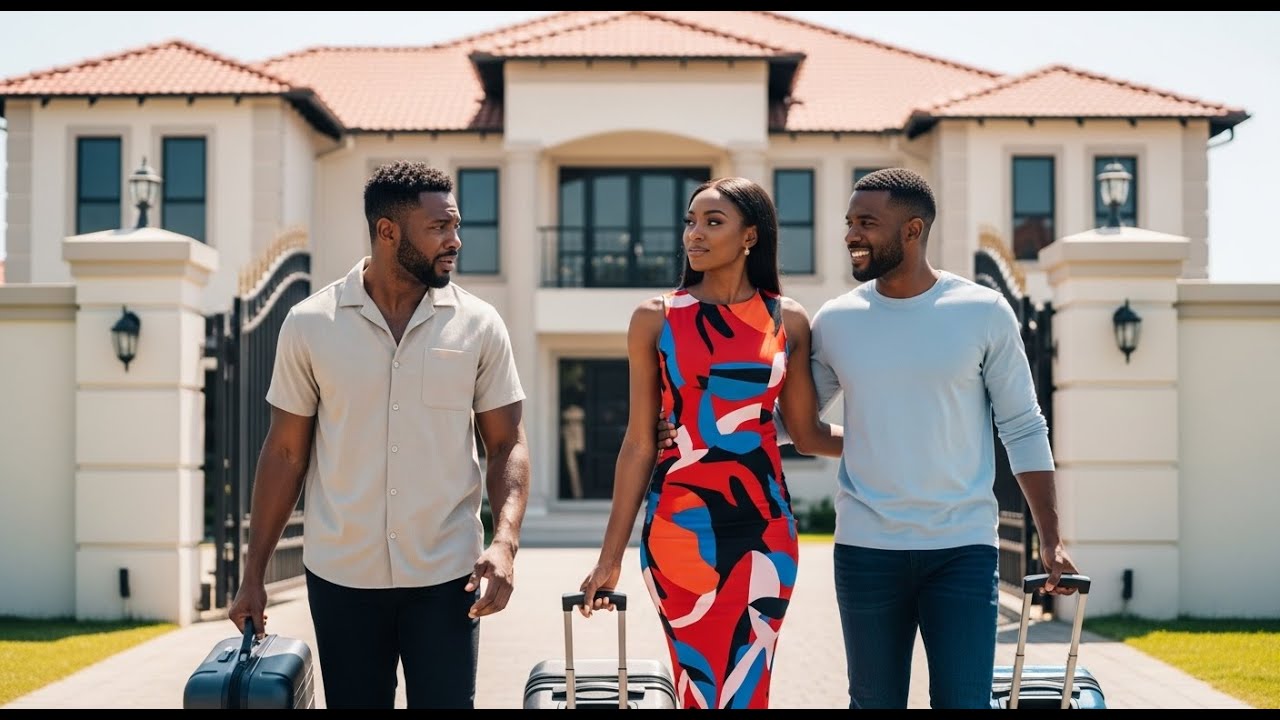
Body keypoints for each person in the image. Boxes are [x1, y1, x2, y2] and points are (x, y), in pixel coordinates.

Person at [658, 167, 1080, 709]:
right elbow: (791, 422)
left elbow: (1022, 424)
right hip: (865, 548)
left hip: (962, 547)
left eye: (866, 223)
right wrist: (688, 424)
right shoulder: (838, 321)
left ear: (912, 230)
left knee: (964, 701)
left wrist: (1052, 537)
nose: (851, 235)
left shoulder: (983, 312)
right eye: (849, 222)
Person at [227, 160, 530, 709]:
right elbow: (285, 452)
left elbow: (507, 443)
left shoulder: (480, 325)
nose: (455, 241)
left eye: (456, 226)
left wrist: (504, 541)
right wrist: (253, 574)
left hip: (446, 577)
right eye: (439, 227)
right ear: (387, 231)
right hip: (342, 578)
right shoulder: (310, 323)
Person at [578, 176, 844, 710]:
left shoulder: (786, 320)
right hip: (680, 527)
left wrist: (896, 440)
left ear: (751, 236)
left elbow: (809, 433)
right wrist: (609, 558)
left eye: (712, 222)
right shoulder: (656, 318)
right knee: (697, 683)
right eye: (691, 221)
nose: (693, 234)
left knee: (751, 682)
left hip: (766, 528)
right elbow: (637, 443)